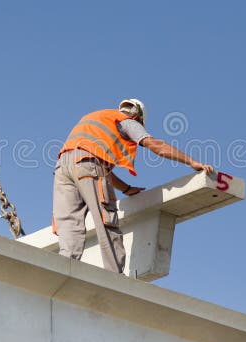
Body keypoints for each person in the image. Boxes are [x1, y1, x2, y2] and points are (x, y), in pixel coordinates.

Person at [52, 98, 215, 273]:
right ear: (138, 116)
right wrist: (190, 161)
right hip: (88, 164)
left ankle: (63, 271)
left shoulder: (97, 117)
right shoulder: (126, 121)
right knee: (105, 220)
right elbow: (155, 145)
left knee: (69, 225)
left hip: (62, 167)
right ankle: (114, 276)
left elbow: (95, 167)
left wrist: (127, 189)